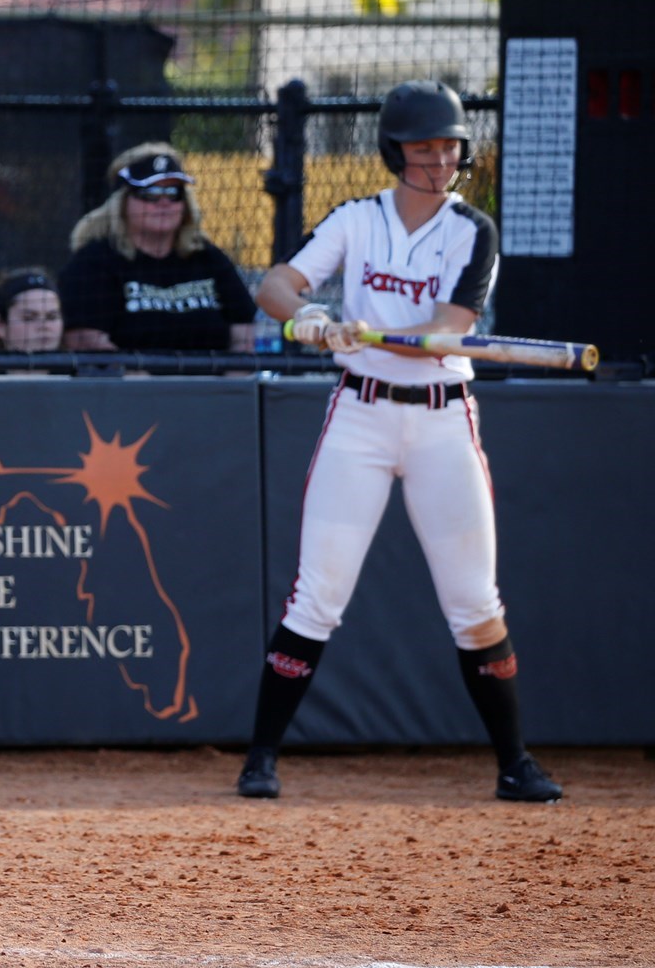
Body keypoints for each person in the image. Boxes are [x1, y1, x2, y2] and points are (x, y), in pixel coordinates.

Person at [236, 79, 560, 804]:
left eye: (448, 145)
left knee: (475, 601)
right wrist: (310, 320)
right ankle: (260, 758)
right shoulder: (357, 219)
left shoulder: (473, 229)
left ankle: (515, 764)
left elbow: (446, 333)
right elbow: (276, 285)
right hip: (361, 416)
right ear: (395, 151)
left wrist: (377, 332)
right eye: (423, 147)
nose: (439, 159)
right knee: (317, 594)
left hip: (443, 419)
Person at [58, 144, 255, 352]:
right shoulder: (94, 261)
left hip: (211, 382)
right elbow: (86, 341)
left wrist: (231, 382)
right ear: (122, 202)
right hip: (131, 382)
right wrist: (143, 381)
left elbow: (243, 336)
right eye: (150, 193)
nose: (163, 203)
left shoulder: (209, 258)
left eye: (173, 193)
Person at [0, 268, 64, 354]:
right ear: (0, 325)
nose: (44, 326)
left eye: (52, 317)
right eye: (29, 318)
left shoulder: (77, 366)